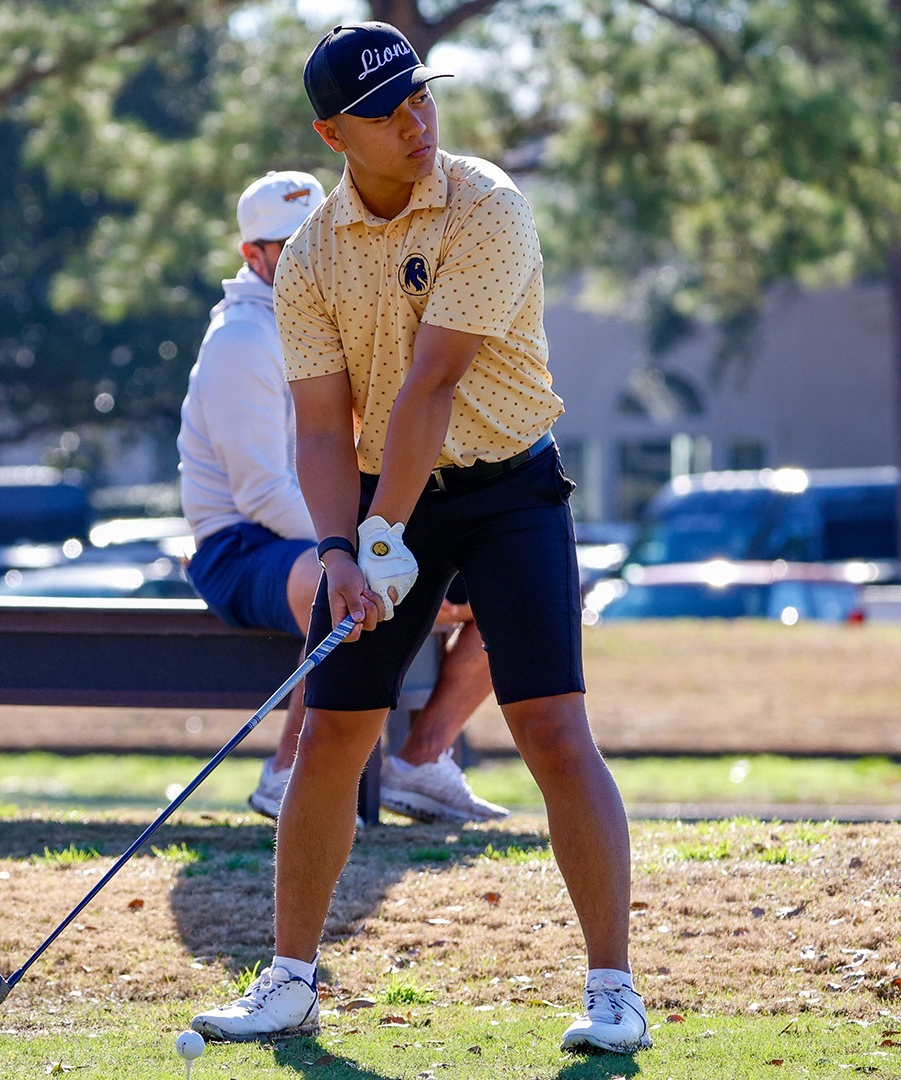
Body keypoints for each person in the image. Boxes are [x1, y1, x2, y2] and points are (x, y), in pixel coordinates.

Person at [190, 23, 648, 1055]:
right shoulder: (309, 261)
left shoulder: (486, 204)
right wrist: (340, 552)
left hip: (508, 492)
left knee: (552, 732)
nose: (416, 121)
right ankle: (292, 980)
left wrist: (381, 539)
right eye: (387, 111)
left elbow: (432, 389)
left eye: (421, 96)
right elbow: (320, 425)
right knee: (330, 736)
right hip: (380, 493)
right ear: (331, 133)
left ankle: (614, 989)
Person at [177, 169, 509, 826]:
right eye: (289, 243)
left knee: (505, 590)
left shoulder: (335, 318)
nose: (310, 255)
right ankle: (287, 774)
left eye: (317, 236)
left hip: (327, 535)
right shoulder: (243, 340)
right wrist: (355, 554)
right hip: (243, 548)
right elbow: (265, 494)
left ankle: (421, 760)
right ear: (254, 256)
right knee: (351, 590)